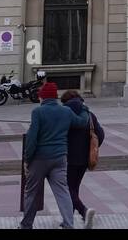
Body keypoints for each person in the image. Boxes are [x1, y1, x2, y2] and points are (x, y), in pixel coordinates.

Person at [20, 81, 92, 229]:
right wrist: (84, 108)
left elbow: (32, 138)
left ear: (42, 98)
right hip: (60, 158)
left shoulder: (37, 112)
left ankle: (26, 225)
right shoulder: (65, 111)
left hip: (39, 159)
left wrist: (27, 160)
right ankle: (68, 223)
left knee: (31, 192)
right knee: (62, 192)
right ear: (55, 97)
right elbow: (82, 122)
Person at [61, 90, 104, 230]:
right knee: (74, 188)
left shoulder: (65, 115)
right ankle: (68, 219)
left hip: (69, 158)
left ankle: (84, 211)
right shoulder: (90, 115)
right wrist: (90, 149)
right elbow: (100, 134)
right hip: (85, 159)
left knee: (67, 189)